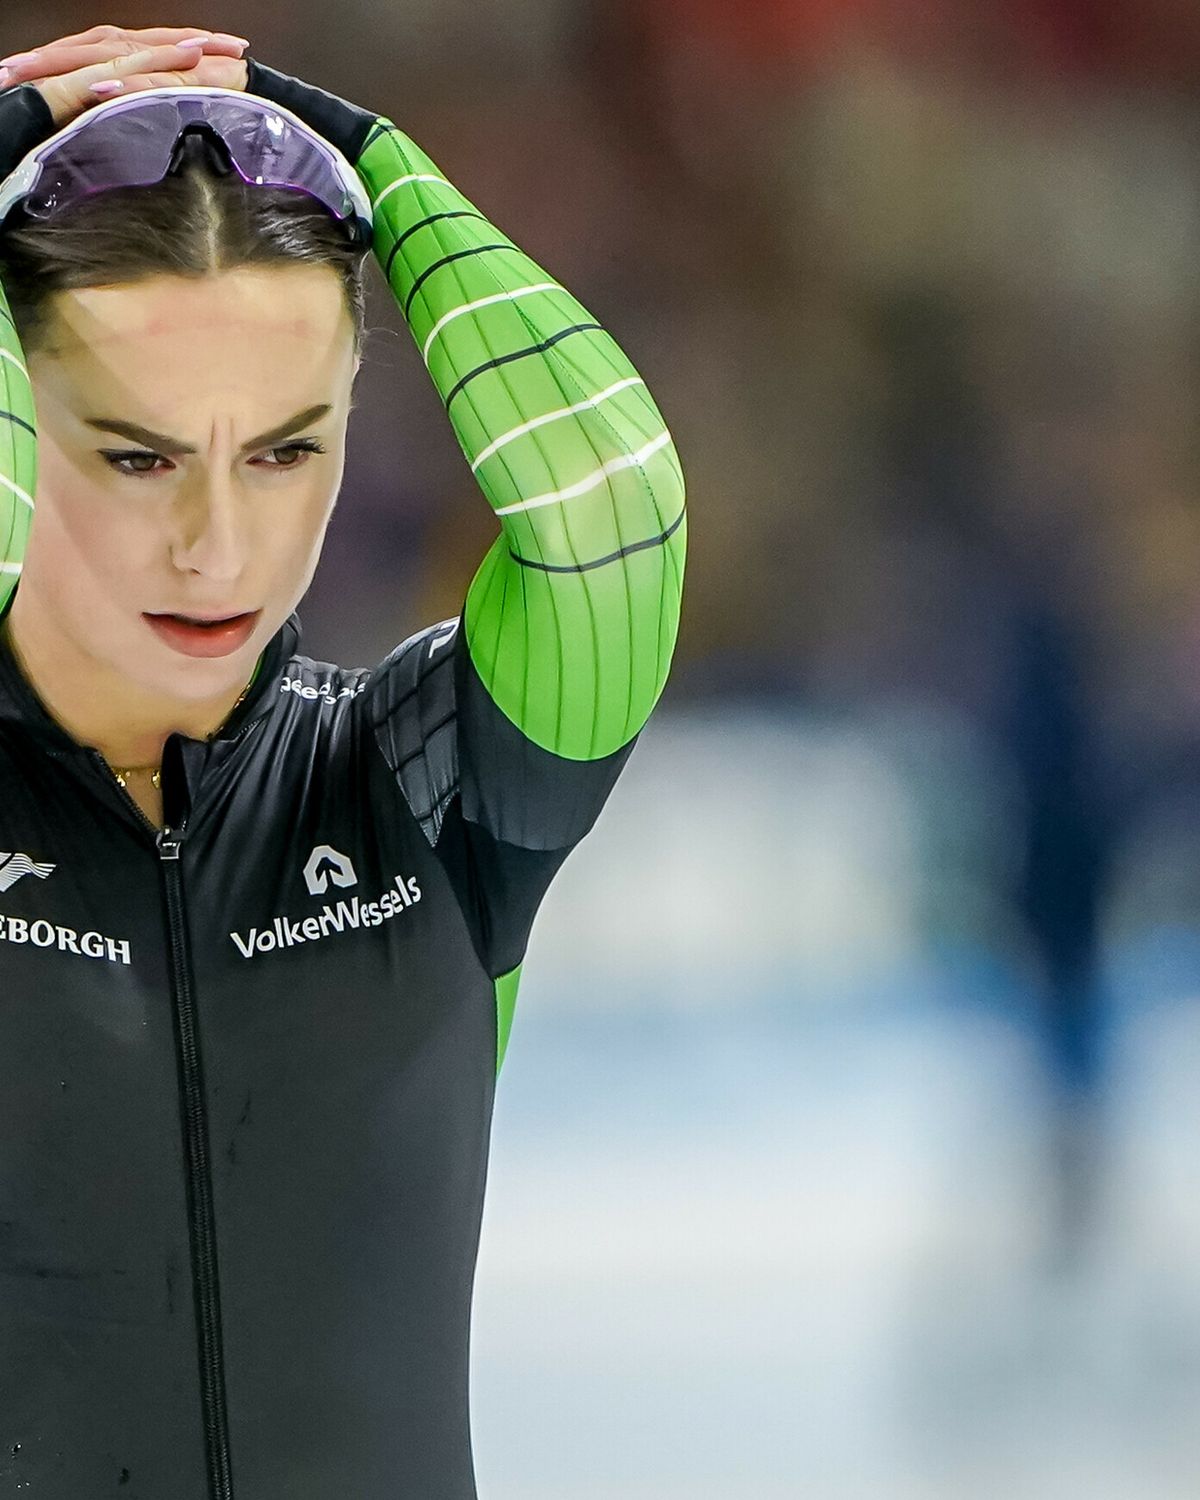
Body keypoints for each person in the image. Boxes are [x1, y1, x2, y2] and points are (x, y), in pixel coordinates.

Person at [0, 26, 686, 1500]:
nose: (219, 546)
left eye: (285, 451)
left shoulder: (421, 786)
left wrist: (368, 151)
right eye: (136, 456)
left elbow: (613, 517)